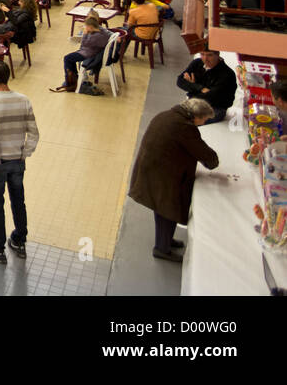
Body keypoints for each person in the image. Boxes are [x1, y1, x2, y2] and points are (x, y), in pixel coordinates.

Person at [127, 98, 218, 261]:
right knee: (167, 209)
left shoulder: (168, 115)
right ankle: (162, 248)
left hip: (153, 167)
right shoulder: (185, 128)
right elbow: (204, 154)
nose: (203, 123)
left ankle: (166, 240)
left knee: (163, 208)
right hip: (161, 174)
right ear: (196, 116)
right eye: (204, 120)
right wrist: (212, 162)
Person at [0, 61, 39, 263]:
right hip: (17, 161)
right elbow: (34, 133)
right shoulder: (24, 100)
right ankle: (19, 240)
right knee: (18, 200)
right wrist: (24, 153)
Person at [176, 49, 237, 124]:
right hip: (196, 102)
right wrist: (200, 88)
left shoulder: (227, 74)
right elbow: (179, 81)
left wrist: (191, 86)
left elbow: (209, 97)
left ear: (217, 55)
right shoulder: (197, 63)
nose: (205, 59)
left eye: (209, 55)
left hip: (215, 108)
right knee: (177, 116)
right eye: (202, 54)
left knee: (185, 121)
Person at [55, 14, 110, 94]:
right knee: (70, 59)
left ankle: (71, 82)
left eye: (86, 26)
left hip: (89, 54)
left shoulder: (96, 37)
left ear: (91, 27)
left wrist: (85, 34)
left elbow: (84, 43)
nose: (85, 28)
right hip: (92, 51)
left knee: (67, 58)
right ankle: (74, 79)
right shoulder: (102, 32)